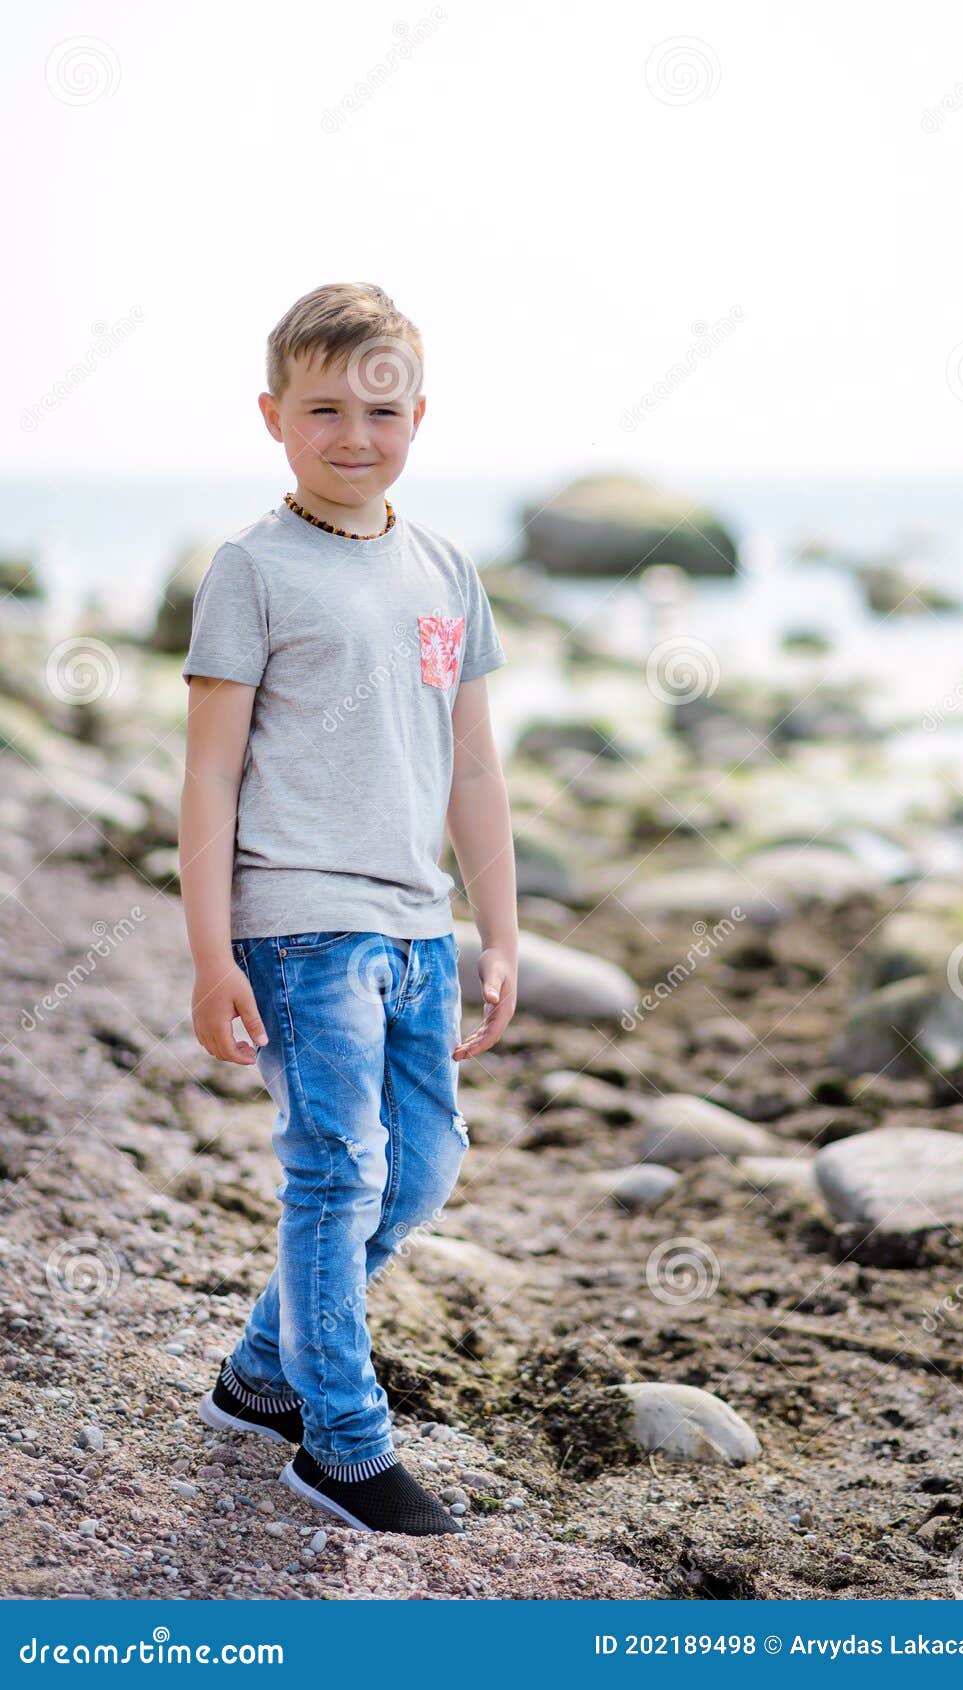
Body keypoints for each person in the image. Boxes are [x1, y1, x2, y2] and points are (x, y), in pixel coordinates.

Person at [178, 282, 517, 1535]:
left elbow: (473, 768)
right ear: (274, 416)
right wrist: (210, 955)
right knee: (336, 1173)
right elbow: (209, 774)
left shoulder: (446, 570)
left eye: (381, 410)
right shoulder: (252, 569)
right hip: (300, 924)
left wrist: (500, 931)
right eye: (323, 409)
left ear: (418, 417)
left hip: (420, 925)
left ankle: (260, 1375)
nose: (354, 435)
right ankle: (342, 1443)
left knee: (419, 1171)